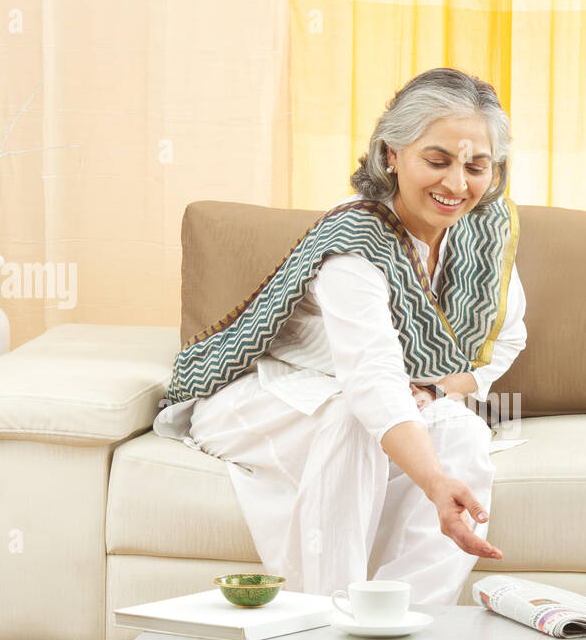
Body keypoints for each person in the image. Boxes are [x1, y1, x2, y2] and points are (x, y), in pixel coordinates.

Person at [152, 68, 527, 608]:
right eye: (438, 161)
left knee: (465, 437)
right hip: (260, 395)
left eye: (476, 166)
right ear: (391, 153)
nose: (457, 185)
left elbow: (506, 342)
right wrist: (433, 483)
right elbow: (370, 379)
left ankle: (404, 625)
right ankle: (326, 630)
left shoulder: (484, 234)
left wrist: (438, 390)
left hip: (371, 394)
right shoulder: (355, 240)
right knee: (354, 418)